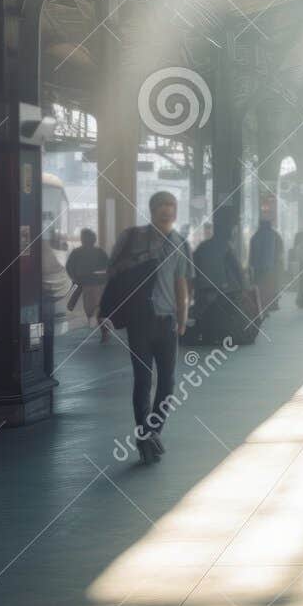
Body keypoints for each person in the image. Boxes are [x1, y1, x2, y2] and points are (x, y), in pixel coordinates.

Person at [103, 191, 192, 465]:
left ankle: (152, 432)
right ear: (152, 210)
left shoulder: (180, 243)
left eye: (171, 205)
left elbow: (181, 283)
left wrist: (182, 318)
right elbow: (113, 272)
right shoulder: (134, 237)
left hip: (167, 320)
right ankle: (145, 435)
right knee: (143, 380)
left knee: (168, 382)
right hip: (139, 319)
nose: (167, 210)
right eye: (162, 205)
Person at [192, 209, 250, 343]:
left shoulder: (202, 246)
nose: (235, 232)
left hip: (203, 293)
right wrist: (243, 288)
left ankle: (208, 332)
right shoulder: (227, 247)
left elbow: (193, 269)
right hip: (223, 293)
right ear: (228, 230)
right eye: (234, 228)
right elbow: (238, 272)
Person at [65, 228, 111, 343]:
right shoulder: (98, 252)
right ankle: (103, 326)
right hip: (95, 283)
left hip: (91, 284)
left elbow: (69, 267)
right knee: (93, 307)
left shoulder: (78, 252)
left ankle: (102, 326)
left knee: (91, 308)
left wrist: (75, 277)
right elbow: (108, 266)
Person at [249, 216, 284, 314]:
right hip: (271, 267)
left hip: (258, 267)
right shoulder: (275, 235)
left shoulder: (255, 236)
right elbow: (280, 250)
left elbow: (252, 252)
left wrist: (251, 264)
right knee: (271, 286)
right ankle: (272, 305)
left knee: (259, 287)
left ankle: (260, 306)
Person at [289, 230, 303, 309]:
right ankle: (302, 301)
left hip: (298, 268)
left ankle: (300, 301)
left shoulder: (295, 247)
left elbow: (294, 259)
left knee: (301, 285)